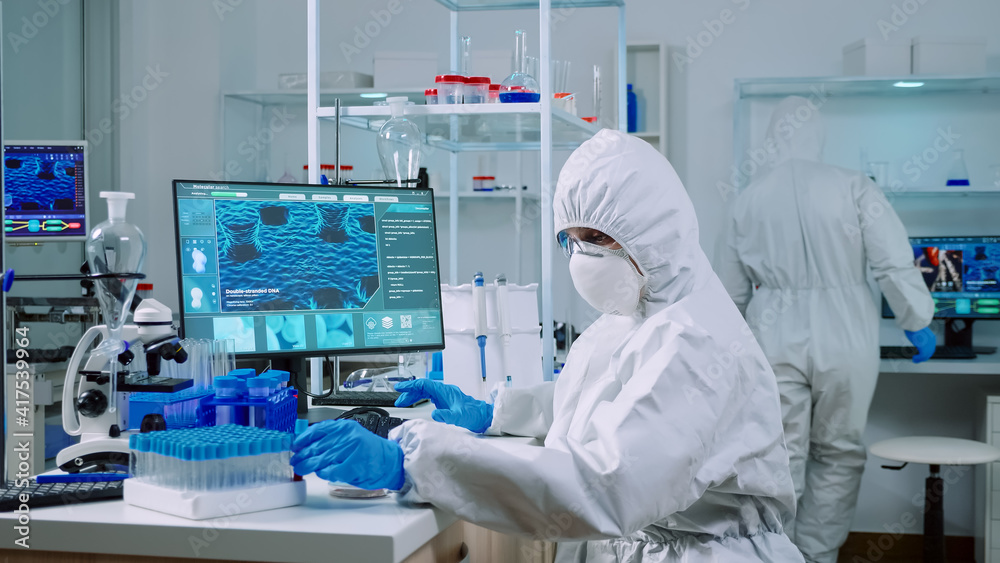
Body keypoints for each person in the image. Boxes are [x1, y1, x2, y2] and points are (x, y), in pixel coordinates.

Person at [292, 129, 804, 562]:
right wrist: (496, 412)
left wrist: (414, 463)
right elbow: (606, 399)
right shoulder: (641, 312)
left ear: (654, 235)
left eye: (597, 239)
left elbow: (605, 484)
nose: (580, 257)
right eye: (570, 240)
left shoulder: (695, 342)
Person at [717, 96, 935, 563]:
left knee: (779, 456)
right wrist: (917, 320)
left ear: (772, 136)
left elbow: (731, 294)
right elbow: (892, 263)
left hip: (772, 330)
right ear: (819, 135)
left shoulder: (748, 198)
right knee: (838, 452)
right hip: (847, 333)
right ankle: (818, 555)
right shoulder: (854, 186)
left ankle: (776, 555)